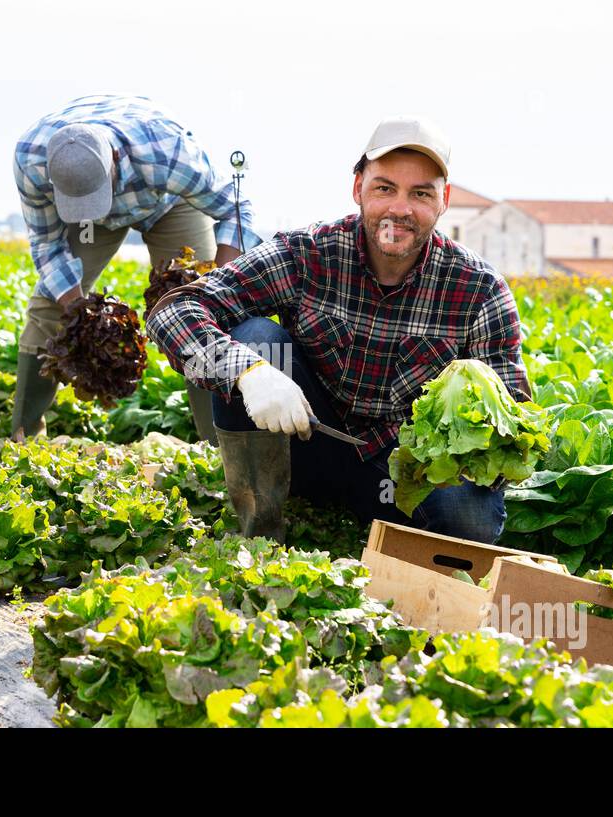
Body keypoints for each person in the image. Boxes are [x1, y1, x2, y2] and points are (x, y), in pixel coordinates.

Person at [146, 116, 531, 544]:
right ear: (358, 189)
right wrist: (247, 373)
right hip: (304, 443)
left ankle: (405, 545)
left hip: (403, 469)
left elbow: (510, 406)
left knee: (471, 521)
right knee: (257, 338)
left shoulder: (478, 288)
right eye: (385, 188)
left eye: (420, 193)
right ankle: (262, 529)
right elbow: (174, 311)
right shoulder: (307, 253)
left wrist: (469, 450)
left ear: (444, 201)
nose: (400, 209)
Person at [10, 94, 259, 441]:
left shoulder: (168, 151)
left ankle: (218, 444)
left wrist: (217, 284)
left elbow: (234, 208)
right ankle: (23, 435)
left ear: (114, 158)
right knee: (50, 309)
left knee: (201, 314)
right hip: (92, 222)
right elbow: (47, 245)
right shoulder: (31, 160)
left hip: (170, 203)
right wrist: (82, 317)